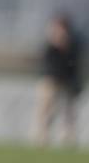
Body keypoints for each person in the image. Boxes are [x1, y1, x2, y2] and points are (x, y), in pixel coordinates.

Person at [36, 13, 84, 147]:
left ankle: (68, 138)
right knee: (46, 110)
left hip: (66, 82)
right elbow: (47, 64)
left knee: (68, 111)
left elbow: (74, 65)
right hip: (51, 81)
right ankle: (42, 137)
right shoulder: (50, 45)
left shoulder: (73, 45)